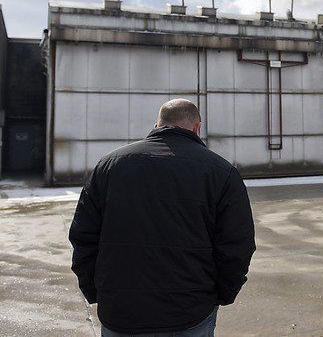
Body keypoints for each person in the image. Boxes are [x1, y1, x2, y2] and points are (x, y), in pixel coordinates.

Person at [68, 99, 256, 336]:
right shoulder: (221, 172)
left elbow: (83, 236)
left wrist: (96, 290)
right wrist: (221, 294)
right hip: (190, 312)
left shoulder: (110, 166)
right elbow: (237, 245)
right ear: (197, 127)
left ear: (157, 124)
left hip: (121, 312)